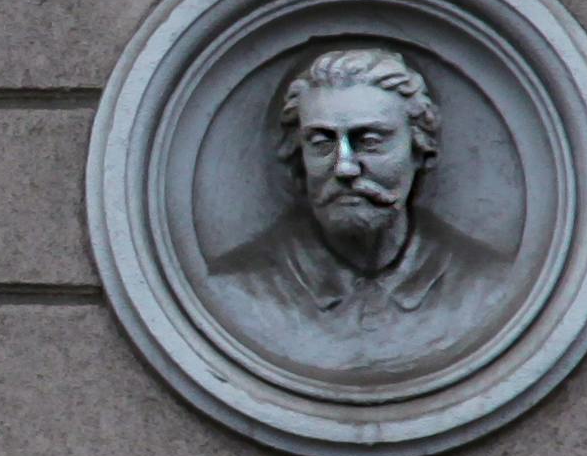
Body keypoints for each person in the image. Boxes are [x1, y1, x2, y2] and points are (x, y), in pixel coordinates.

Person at [203, 45, 511, 371]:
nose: (345, 168)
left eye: (370, 141)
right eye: (321, 143)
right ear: (299, 153)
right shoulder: (239, 291)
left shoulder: (485, 288)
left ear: (419, 147)